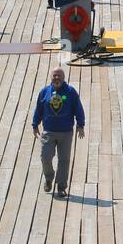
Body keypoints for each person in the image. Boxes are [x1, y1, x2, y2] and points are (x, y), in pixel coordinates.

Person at [31, 67, 85, 198]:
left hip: (66, 132)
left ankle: (61, 187)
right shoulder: (44, 92)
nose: (57, 78)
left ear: (64, 77)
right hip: (48, 131)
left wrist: (80, 125)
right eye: (54, 75)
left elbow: (78, 108)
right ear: (51, 77)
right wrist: (35, 124)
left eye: (59, 76)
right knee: (45, 156)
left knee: (64, 160)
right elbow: (38, 109)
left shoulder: (70, 92)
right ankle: (49, 178)